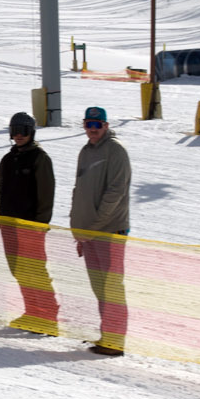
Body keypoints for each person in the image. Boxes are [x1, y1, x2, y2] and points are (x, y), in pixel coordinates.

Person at [69, 106, 130, 357]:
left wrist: (94, 225)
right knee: (99, 287)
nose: (92, 130)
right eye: (88, 125)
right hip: (89, 231)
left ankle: (115, 341)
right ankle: (108, 335)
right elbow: (79, 190)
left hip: (109, 230)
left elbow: (115, 192)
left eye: (97, 125)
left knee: (111, 287)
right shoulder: (86, 151)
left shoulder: (115, 151)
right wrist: (79, 228)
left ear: (106, 126)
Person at [0, 111, 58, 334]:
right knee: (18, 269)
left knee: (34, 269)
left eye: (23, 131)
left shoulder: (39, 158)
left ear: (31, 133)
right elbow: (0, 189)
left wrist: (39, 224)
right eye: (14, 131)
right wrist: (1, 216)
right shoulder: (8, 159)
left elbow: (46, 193)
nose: (18, 135)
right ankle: (32, 311)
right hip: (9, 223)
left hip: (30, 224)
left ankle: (48, 314)